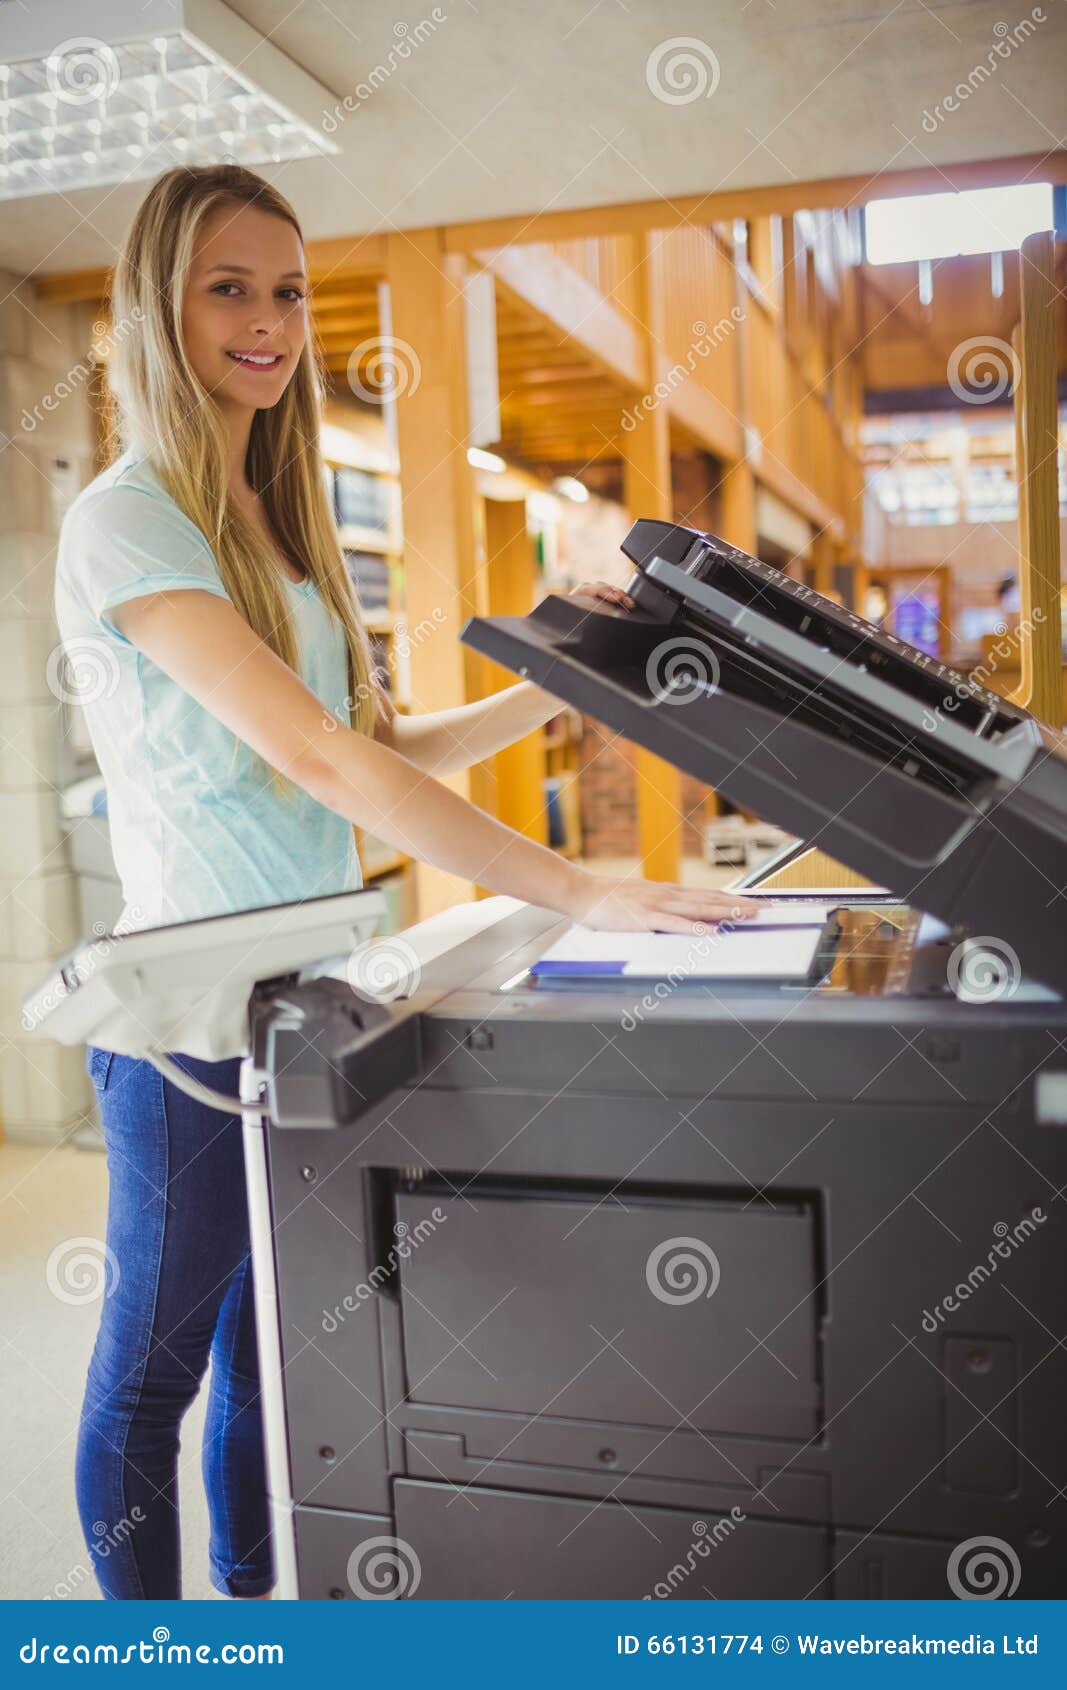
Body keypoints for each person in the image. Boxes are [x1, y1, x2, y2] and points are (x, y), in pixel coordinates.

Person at [54, 165, 758, 1601]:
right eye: (228, 288)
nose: (269, 322)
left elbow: (385, 741)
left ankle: (257, 1611)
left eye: (290, 291)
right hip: (186, 1021)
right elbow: (322, 763)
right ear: (157, 306)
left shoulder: (278, 519)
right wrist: (582, 888)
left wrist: (569, 669)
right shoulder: (128, 519)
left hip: (302, 999)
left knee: (271, 1345)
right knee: (150, 1371)